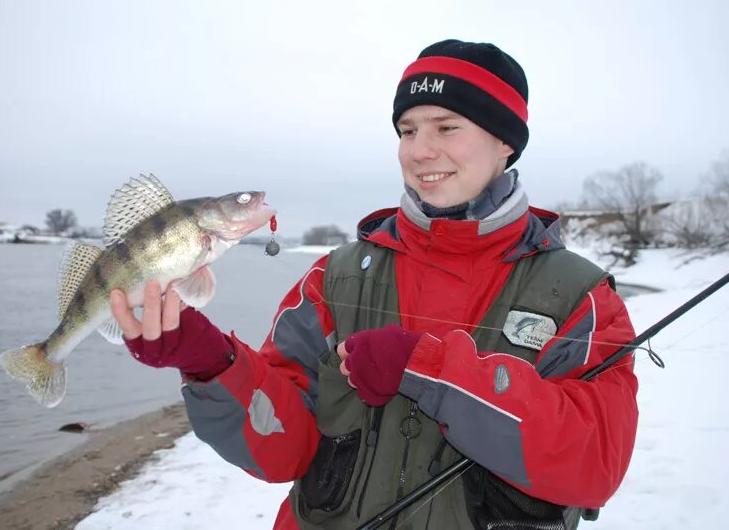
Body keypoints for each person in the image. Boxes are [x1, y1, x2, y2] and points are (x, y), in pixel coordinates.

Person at [110, 39, 639, 530]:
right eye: (407, 130)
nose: (419, 151)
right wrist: (211, 363)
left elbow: (594, 466)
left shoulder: (583, 300)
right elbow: (284, 450)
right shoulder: (331, 277)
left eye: (446, 127)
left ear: (505, 142)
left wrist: (431, 368)